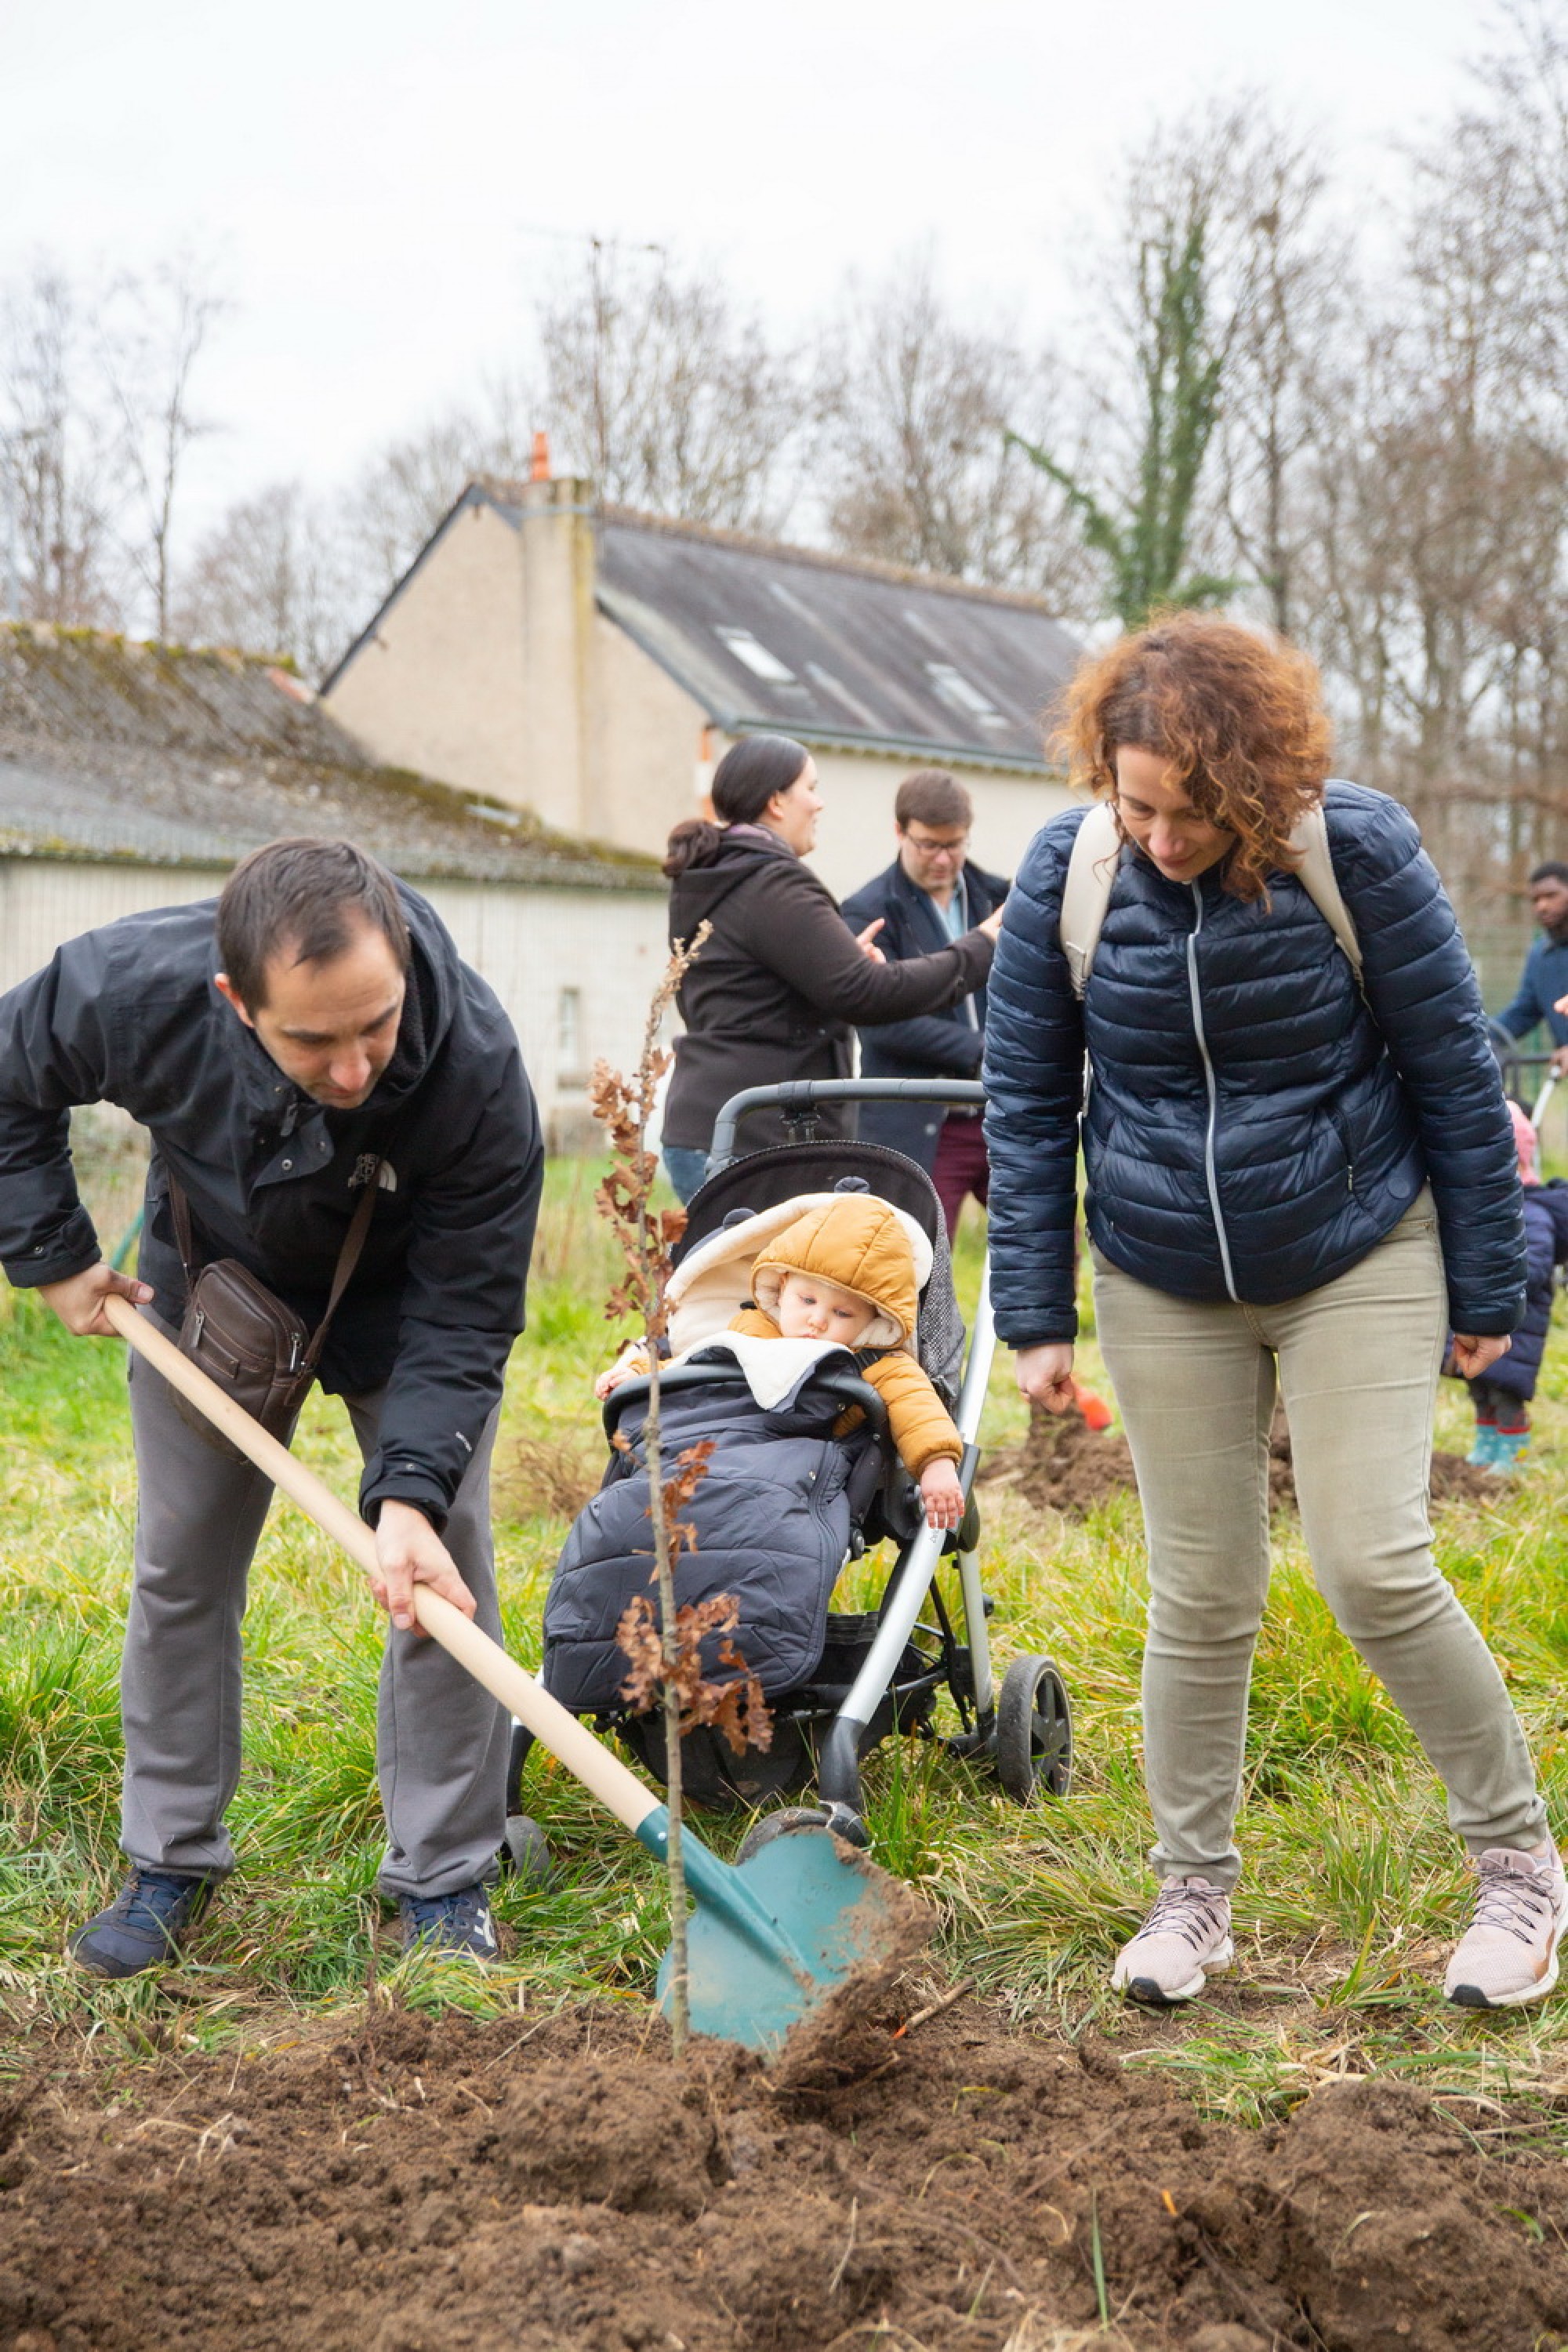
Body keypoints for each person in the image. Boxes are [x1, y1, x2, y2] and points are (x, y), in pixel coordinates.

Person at [983, 610, 1563, 2013]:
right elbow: (1024, 1098)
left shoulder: (1350, 849)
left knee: (1372, 1564)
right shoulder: (1070, 872)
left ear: (1256, 784)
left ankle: (1522, 1874)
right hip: (1159, 1268)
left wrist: (1490, 1290)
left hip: (1357, 1247)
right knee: (1200, 1591)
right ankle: (1192, 1899)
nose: (1164, 839)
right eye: (1139, 806)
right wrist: (1034, 1312)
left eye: (1194, 812)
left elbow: (1452, 1072)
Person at [0, 839, 543, 1976]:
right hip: (217, 1285)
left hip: (409, 1311)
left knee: (443, 1574)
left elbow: (468, 1305)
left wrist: (409, 1496)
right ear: (234, 1001)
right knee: (183, 1563)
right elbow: (8, 1077)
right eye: (313, 1039)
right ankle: (169, 1861)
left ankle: (445, 1884)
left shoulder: (479, 1070)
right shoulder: (132, 989)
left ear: (400, 964)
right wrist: (51, 1253)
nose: (353, 1070)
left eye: (376, 1027)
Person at [659, 735, 1002, 1203]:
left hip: (715, 1126)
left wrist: (836, 965)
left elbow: (749, 996)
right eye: (811, 788)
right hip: (755, 1139)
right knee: (775, 1279)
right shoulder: (771, 883)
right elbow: (868, 994)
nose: (819, 803)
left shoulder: (720, 873)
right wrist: (983, 946)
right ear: (776, 801)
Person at [596, 1192, 966, 1528]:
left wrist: (936, 1464)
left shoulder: (877, 1364)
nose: (818, 1321)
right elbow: (690, 1363)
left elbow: (918, 1408)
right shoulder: (748, 1327)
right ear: (782, 1285)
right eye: (807, 1301)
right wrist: (636, 1372)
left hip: (800, 1471)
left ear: (874, 1320)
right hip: (717, 1446)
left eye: (843, 1314)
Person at [840, 771, 1009, 1240]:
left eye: (954, 844)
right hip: (923, 1120)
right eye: (929, 845)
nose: (943, 858)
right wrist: (985, 1050)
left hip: (1002, 1115)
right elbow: (882, 1024)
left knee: (1045, 1252)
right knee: (918, 1266)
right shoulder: (867, 911)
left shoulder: (1003, 897)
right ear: (900, 833)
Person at [1458, 1101, 1568, 1470]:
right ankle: (1487, 1446)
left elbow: (1535, 1266)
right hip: (1480, 1318)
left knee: (1507, 1396)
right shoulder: (1476, 1212)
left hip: (1516, 1327)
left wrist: (1493, 1279)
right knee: (1480, 1390)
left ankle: (1514, 1456)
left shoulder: (1531, 1211)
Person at [1496, 862, 1568, 1076]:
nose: (1542, 906)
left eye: (1551, 895)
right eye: (1535, 900)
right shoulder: (1541, 956)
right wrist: (1478, 1037)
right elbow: (1524, 1011)